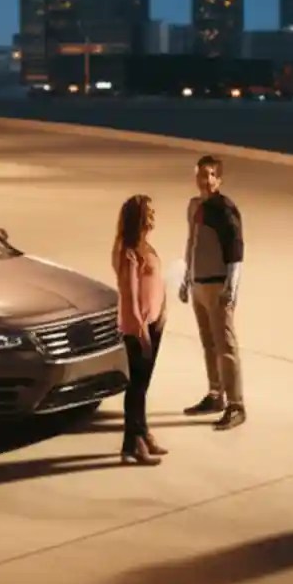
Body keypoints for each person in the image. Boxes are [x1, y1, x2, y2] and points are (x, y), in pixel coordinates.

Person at [179, 155, 247, 430]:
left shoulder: (225, 209)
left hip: (218, 286)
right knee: (208, 343)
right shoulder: (194, 206)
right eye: (201, 175)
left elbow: (236, 251)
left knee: (225, 346)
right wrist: (186, 278)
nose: (206, 180)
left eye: (211, 175)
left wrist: (232, 287)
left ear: (219, 179)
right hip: (198, 284)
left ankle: (236, 404)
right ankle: (215, 393)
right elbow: (191, 243)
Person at [113, 195, 168, 465]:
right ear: (139, 218)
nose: (154, 216)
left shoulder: (147, 247)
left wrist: (163, 311)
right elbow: (130, 295)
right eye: (150, 212)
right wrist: (140, 329)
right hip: (138, 328)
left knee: (142, 385)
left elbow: (158, 282)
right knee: (136, 386)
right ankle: (133, 443)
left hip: (154, 323)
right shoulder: (129, 252)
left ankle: (140, 435)